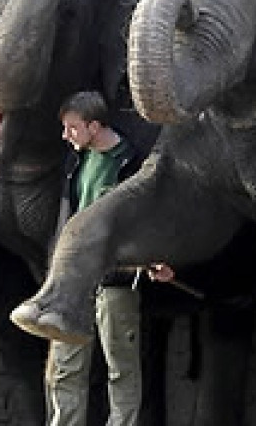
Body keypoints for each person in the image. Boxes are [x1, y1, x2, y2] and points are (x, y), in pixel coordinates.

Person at [46, 90, 174, 426]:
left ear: (94, 126)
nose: (65, 135)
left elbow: (146, 223)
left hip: (116, 282)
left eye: (72, 128)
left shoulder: (132, 164)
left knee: (121, 370)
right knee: (65, 370)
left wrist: (153, 259)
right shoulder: (75, 161)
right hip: (73, 284)